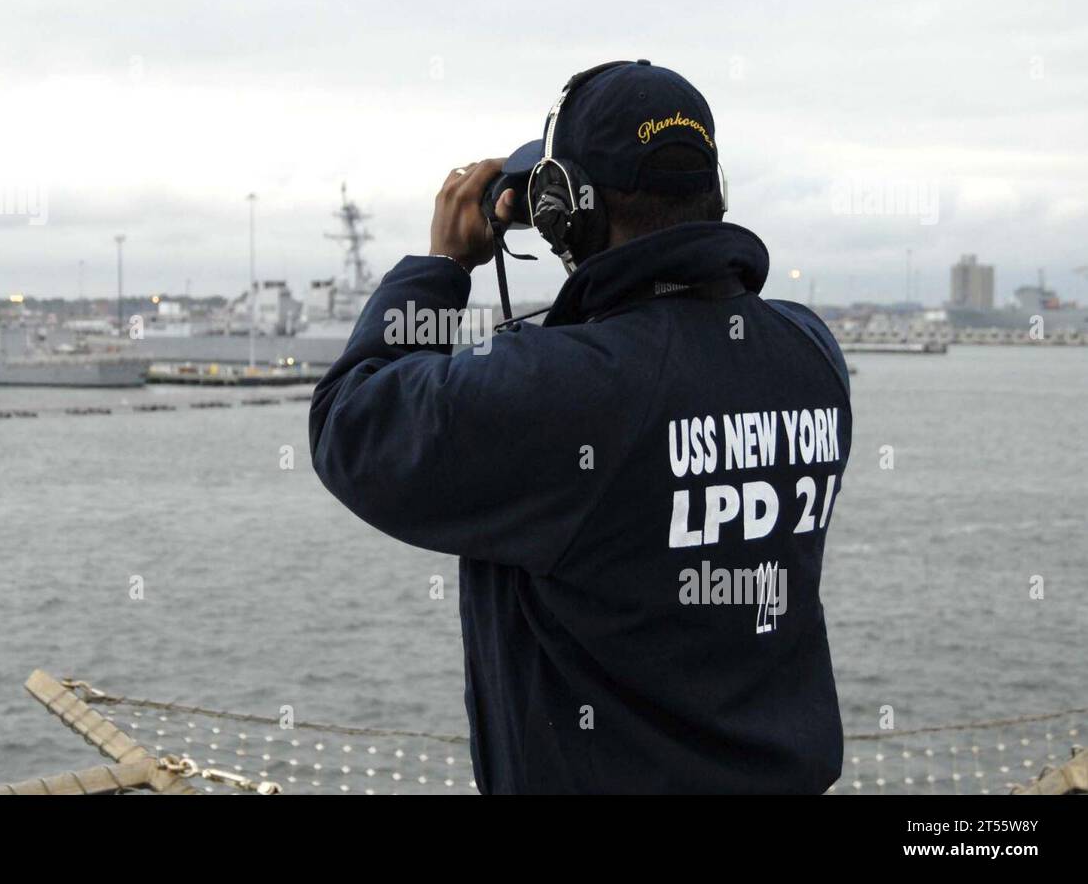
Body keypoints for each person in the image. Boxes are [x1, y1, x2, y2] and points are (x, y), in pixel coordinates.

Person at [309, 60, 852, 794]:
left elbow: (353, 426)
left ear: (567, 215)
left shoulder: (570, 390)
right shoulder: (810, 353)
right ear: (715, 193)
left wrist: (439, 264)